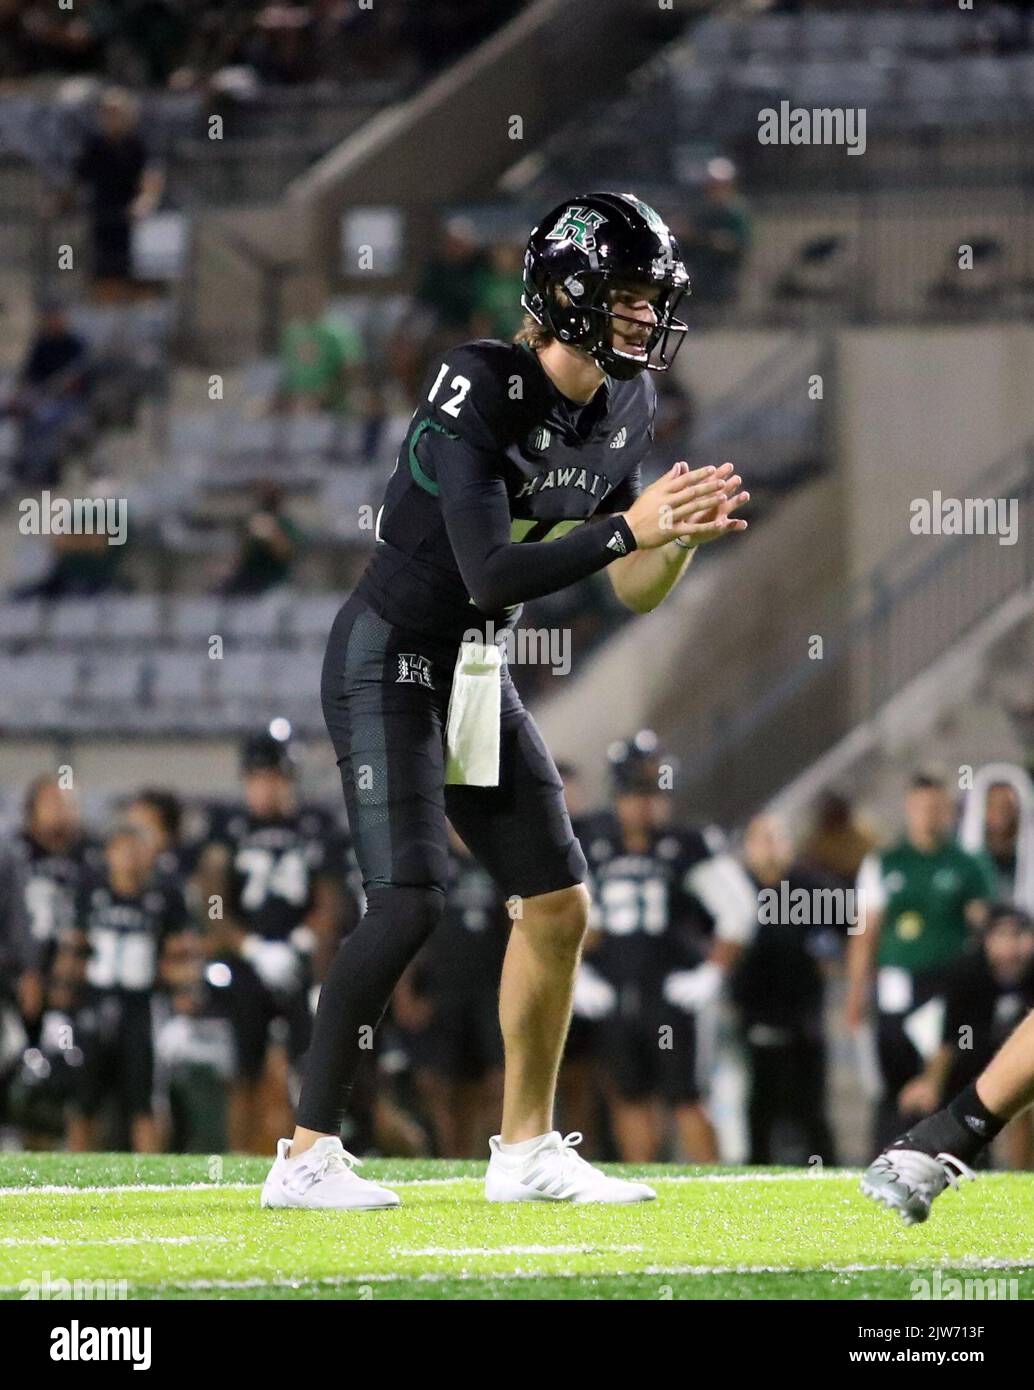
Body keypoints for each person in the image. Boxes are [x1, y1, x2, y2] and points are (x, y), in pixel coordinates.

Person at [261, 190, 750, 1211]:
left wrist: (669, 540)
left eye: (649, 300)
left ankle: (523, 1148)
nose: (644, 320)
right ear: (566, 294)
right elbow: (485, 569)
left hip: (476, 671)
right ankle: (304, 1152)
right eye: (626, 297)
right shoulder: (476, 382)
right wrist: (630, 528)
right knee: (408, 902)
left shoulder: (625, 406)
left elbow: (626, 586)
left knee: (560, 904)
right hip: (393, 651)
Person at [582, 731, 756, 1163]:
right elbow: (578, 923)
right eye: (636, 792)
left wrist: (711, 973)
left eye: (654, 792)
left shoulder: (689, 845)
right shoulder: (594, 843)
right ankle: (642, 1192)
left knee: (686, 1098)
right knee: (629, 1096)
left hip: (674, 993)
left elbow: (739, 913)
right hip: (618, 991)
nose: (646, 803)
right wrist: (578, 975)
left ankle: (710, 1196)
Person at [196, 731, 354, 1152]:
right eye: (258, 778)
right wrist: (251, 947)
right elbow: (211, 901)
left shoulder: (315, 825)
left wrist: (305, 943)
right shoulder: (227, 827)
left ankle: (300, 1155)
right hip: (246, 964)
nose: (265, 787)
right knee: (244, 1068)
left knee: (303, 1069)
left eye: (274, 777)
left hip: (301, 962)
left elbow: (332, 900)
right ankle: (238, 1156)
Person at [846, 771, 995, 1149]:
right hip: (898, 984)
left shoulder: (966, 863)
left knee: (955, 1079)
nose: (929, 815)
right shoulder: (886, 861)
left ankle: (954, 1158)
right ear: (909, 808)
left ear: (947, 811)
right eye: (922, 806)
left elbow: (985, 929)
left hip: (948, 985)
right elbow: (866, 931)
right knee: (894, 1078)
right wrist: (856, 992)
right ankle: (887, 1156)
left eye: (936, 807)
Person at [862, 907, 1034, 1225]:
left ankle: (1019, 1180)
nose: (1011, 947)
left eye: (1019, 936)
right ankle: (941, 1141)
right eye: (1003, 936)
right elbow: (948, 1041)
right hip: (969, 1070)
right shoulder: (968, 973)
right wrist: (931, 1084)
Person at [67, 822, 188, 1153]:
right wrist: (63, 993)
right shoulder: (91, 891)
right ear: (109, 853)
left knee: (145, 1098)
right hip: (95, 1001)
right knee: (85, 1097)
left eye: (137, 849)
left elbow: (183, 955)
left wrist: (179, 984)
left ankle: (148, 1174)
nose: (130, 858)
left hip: (142, 1005)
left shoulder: (163, 896)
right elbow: (73, 948)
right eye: (122, 849)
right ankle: (72, 1173)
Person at [733, 813, 839, 1165]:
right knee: (758, 1104)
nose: (770, 847)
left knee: (810, 1105)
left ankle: (824, 1172)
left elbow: (836, 945)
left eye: (777, 837)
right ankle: (756, 1172)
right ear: (747, 848)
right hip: (752, 1013)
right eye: (762, 838)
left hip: (803, 1013)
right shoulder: (736, 888)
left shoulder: (814, 887)